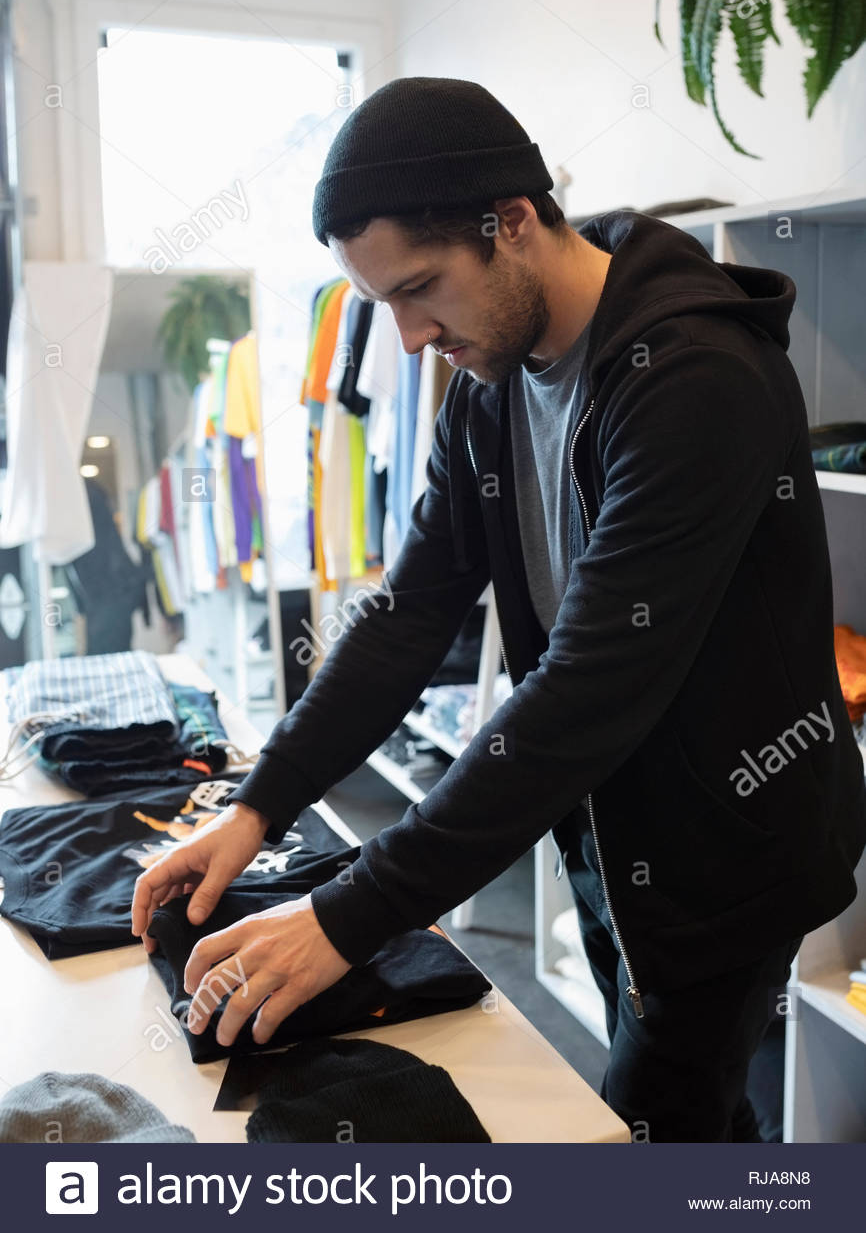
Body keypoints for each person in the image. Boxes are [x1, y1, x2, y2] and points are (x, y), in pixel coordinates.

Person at [131, 77, 866, 1142]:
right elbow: (407, 613)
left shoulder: (696, 377)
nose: (409, 337)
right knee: (689, 1118)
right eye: (384, 303)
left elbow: (588, 687)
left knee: (652, 1129)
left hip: (727, 848)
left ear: (511, 222)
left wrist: (348, 916)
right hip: (611, 831)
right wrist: (258, 805)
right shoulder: (492, 382)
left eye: (420, 288)